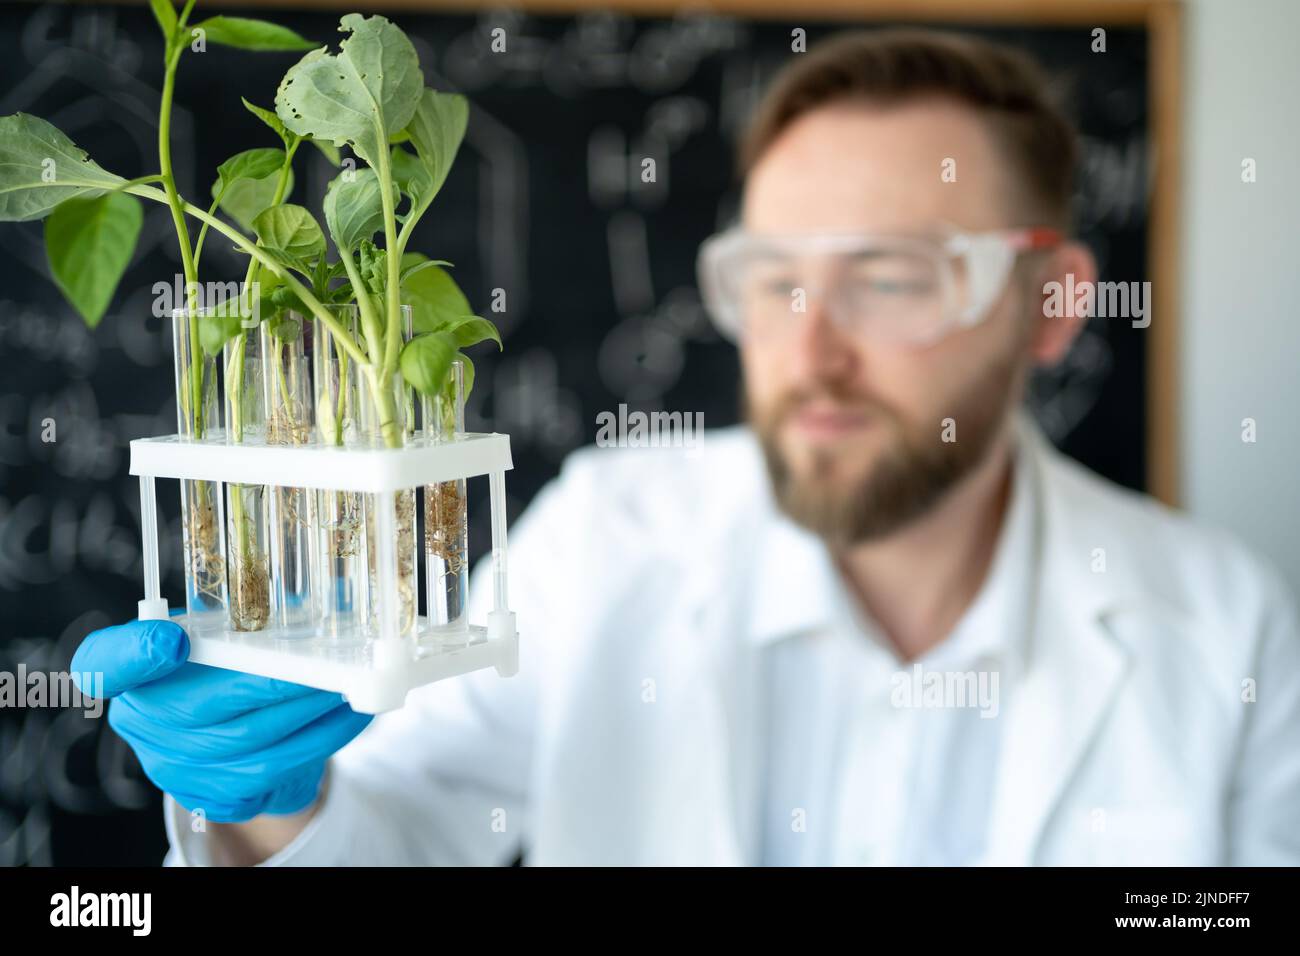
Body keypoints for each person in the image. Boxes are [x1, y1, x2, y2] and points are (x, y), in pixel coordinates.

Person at [74, 29, 1299, 866]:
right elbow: (405, 828)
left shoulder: (1227, 624)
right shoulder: (607, 536)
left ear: (1050, 306)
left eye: (891, 275)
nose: (807, 348)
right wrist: (268, 809)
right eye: (772, 277)